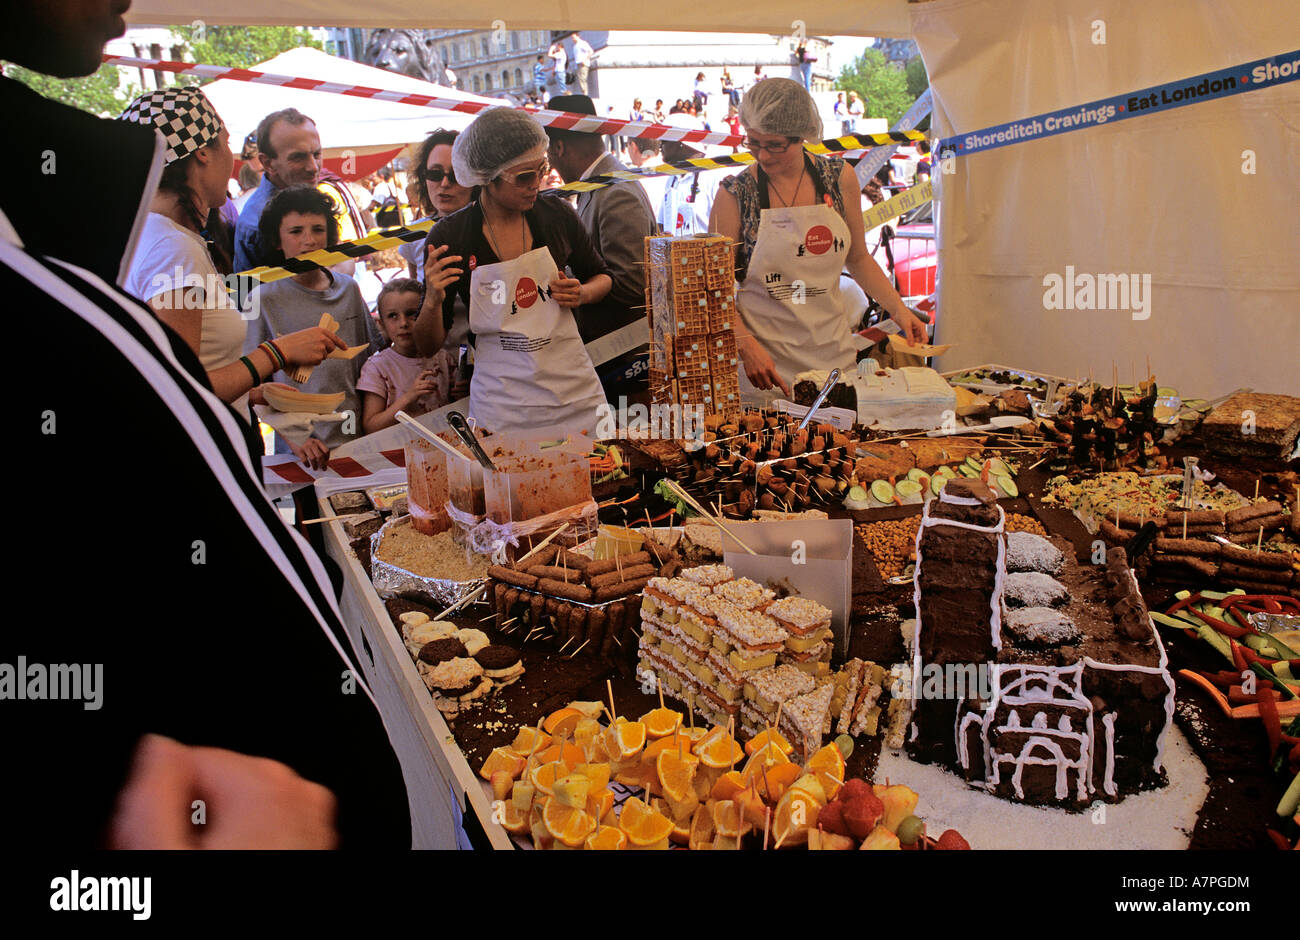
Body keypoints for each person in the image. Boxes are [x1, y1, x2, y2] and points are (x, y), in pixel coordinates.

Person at [2, 0, 410, 850]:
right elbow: (187, 391)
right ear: (196, 158)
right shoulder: (175, 253)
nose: (240, 166)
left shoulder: (166, 241)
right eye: (229, 149)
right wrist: (273, 361)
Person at [119, 87, 343, 411]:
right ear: (202, 153)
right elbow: (179, 387)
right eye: (225, 142)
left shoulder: (157, 237)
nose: (233, 158)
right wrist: (276, 353)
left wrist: (253, 392)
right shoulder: (172, 249)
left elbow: (199, 370)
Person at [710, 78, 925, 405]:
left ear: (802, 136)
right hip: (765, 374)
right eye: (753, 142)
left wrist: (899, 310)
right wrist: (746, 346)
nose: (763, 155)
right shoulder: (735, 195)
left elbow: (858, 258)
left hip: (834, 363)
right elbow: (715, 289)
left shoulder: (839, 180)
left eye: (775, 144)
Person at [413, 106, 612, 436]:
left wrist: (582, 292)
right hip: (503, 407)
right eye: (523, 177)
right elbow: (427, 345)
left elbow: (602, 275)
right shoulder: (451, 238)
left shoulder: (557, 215)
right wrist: (432, 301)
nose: (537, 183)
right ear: (487, 177)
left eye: (541, 169)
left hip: (572, 396)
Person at [243, 186, 383, 464]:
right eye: (295, 232)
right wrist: (296, 438)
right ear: (277, 240)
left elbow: (370, 364)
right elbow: (250, 387)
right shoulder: (261, 299)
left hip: (358, 446)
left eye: (318, 229)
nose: (309, 240)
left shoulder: (349, 290)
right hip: (303, 455)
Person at [545, 94, 658, 403]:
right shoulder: (597, 187)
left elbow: (632, 283)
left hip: (627, 365)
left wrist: (576, 286)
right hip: (612, 362)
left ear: (559, 147)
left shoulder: (614, 193)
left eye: (549, 152)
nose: (550, 163)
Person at [400, 129, 475, 357]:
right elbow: (416, 297)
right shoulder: (414, 237)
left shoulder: (492, 228)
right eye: (434, 174)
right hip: (436, 363)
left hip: (484, 364)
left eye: (455, 175)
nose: (444, 183)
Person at [359, 278, 460, 434]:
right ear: (381, 323)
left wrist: (463, 393)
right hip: (398, 451)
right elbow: (371, 426)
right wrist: (409, 397)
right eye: (393, 315)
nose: (403, 323)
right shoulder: (376, 367)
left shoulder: (443, 359)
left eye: (411, 314)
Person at [234, 108, 322, 272]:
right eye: (298, 157)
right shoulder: (259, 223)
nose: (313, 167)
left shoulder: (303, 196)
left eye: (317, 154)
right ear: (267, 163)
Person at [658, 112, 727, 238]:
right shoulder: (672, 179)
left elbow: (724, 233)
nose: (660, 146)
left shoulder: (713, 177)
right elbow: (662, 223)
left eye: (664, 141)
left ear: (680, 143)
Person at [570, 32, 594, 96]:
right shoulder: (575, 46)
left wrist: (585, 60)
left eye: (574, 37)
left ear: (578, 36)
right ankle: (583, 93)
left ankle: (585, 94)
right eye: (572, 38)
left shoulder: (582, 43)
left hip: (583, 64)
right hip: (578, 64)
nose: (573, 39)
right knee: (580, 79)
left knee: (583, 79)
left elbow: (590, 51)